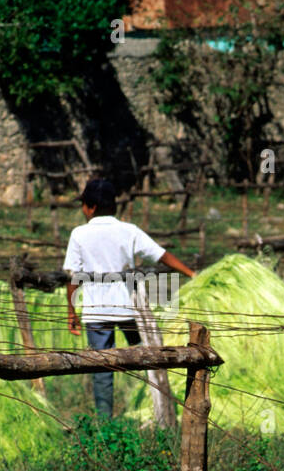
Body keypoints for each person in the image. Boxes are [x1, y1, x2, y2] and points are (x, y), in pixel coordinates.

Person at [63, 178, 197, 419]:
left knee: (102, 367)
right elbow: (161, 255)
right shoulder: (129, 231)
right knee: (146, 358)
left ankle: (106, 423)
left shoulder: (79, 234)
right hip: (130, 309)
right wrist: (190, 273)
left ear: (91, 207)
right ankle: (150, 409)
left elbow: (73, 278)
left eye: (83, 204)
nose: (82, 209)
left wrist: (71, 313)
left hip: (96, 311)